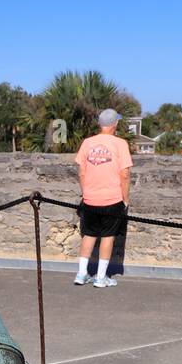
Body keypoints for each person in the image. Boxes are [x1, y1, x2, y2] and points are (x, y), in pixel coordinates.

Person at [74, 109, 133, 288]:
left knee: (89, 235)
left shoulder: (87, 143)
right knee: (108, 236)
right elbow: (124, 174)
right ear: (115, 124)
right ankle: (100, 277)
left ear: (100, 124)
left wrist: (86, 193)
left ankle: (82, 273)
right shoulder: (120, 144)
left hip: (90, 198)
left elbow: (81, 172)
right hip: (112, 198)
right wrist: (126, 198)